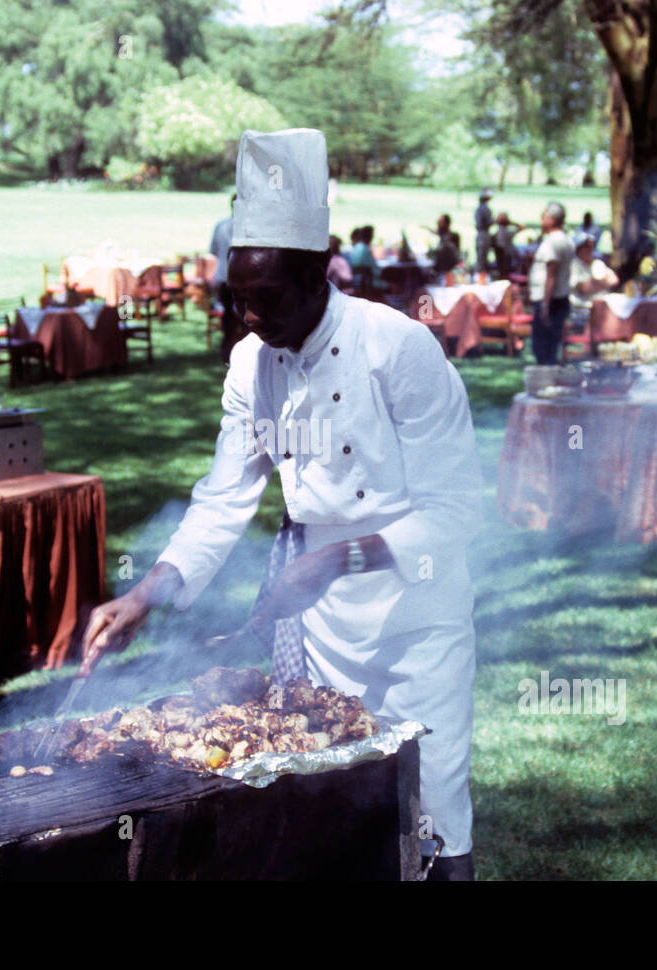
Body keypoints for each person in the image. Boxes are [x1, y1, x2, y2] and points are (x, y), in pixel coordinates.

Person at [80, 128, 483, 882]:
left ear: (316, 276)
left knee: (431, 816)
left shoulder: (397, 348)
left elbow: (459, 510)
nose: (249, 318)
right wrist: (146, 593)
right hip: (325, 626)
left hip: (417, 620)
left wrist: (340, 556)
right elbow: (223, 500)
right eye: (238, 299)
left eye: (266, 299)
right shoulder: (248, 364)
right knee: (335, 821)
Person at [528, 202, 574, 365]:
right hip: (559, 299)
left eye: (544, 216)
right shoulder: (566, 240)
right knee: (551, 345)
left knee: (543, 347)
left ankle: (546, 380)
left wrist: (545, 306)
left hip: (550, 301)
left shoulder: (553, 243)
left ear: (552, 219)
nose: (541, 220)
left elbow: (551, 275)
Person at [210, 194, 244, 363]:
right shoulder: (246, 227)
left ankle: (228, 352)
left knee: (228, 316)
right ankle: (236, 352)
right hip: (240, 278)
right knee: (242, 317)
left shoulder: (221, 226)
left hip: (224, 276)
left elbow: (214, 251)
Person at [569, 232, 618, 311]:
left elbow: (614, 280)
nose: (590, 249)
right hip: (582, 309)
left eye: (592, 246)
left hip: (603, 307)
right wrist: (604, 282)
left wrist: (596, 283)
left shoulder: (597, 263)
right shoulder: (573, 266)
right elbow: (583, 289)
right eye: (586, 246)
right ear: (578, 249)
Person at [349, 224, 383, 289]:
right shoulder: (364, 249)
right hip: (368, 281)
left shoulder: (356, 247)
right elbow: (375, 270)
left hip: (359, 279)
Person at [493, 212, 523, 280]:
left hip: (503, 255)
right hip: (505, 255)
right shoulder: (504, 232)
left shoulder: (500, 231)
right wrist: (512, 223)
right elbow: (520, 227)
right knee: (505, 273)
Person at [474, 189, 494, 277]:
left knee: (481, 256)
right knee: (482, 257)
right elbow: (487, 222)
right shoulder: (484, 209)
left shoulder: (480, 208)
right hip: (483, 234)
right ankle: (480, 276)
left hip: (481, 234)